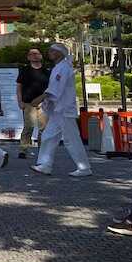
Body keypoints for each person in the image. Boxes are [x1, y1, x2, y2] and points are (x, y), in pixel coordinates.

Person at [30, 43, 91, 177]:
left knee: (71, 139)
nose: (49, 52)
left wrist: (40, 98)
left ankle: (84, 167)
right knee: (48, 136)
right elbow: (54, 89)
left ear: (59, 53)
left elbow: (55, 89)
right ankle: (45, 165)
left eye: (52, 50)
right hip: (59, 110)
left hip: (64, 109)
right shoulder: (59, 67)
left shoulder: (63, 68)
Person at [16, 48, 50, 160]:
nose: (35, 55)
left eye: (37, 53)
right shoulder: (24, 71)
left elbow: (51, 88)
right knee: (28, 127)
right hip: (28, 104)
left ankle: (43, 150)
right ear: (28, 57)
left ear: (41, 56)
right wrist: (20, 101)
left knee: (43, 129)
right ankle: (23, 150)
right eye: (32, 54)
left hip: (43, 104)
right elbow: (19, 87)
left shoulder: (47, 72)